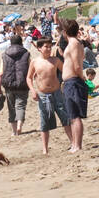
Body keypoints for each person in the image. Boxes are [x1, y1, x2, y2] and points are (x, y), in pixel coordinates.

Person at [27, 37, 70, 155]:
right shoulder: (35, 62)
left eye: (50, 46)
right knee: (44, 122)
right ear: (39, 48)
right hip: (43, 95)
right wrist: (32, 90)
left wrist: (66, 83)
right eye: (46, 46)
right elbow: (29, 78)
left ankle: (73, 142)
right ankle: (45, 149)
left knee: (65, 118)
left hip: (57, 93)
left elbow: (66, 71)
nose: (49, 49)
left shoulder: (55, 60)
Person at [60, 21, 87, 154]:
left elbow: (76, 65)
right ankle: (75, 144)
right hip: (71, 82)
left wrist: (81, 76)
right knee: (72, 115)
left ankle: (77, 145)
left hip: (74, 81)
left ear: (65, 32)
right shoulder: (73, 43)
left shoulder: (74, 43)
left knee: (75, 116)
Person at [0, 31, 31, 135]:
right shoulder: (26, 53)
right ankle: (20, 125)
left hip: (9, 84)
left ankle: (14, 131)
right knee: (20, 105)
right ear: (21, 43)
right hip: (22, 83)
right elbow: (30, 69)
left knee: (11, 108)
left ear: (10, 43)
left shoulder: (5, 54)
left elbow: (1, 73)